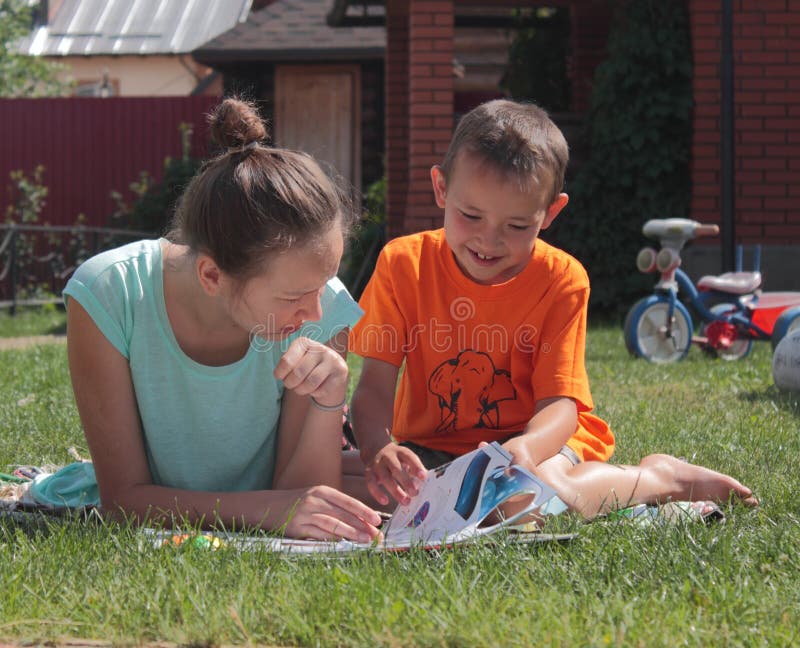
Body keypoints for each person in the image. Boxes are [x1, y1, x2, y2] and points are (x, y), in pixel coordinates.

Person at [347, 99, 756, 518]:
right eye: (470, 215)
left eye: (517, 226)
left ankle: (661, 479)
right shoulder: (403, 264)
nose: (489, 241)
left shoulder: (562, 280)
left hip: (540, 442)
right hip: (433, 449)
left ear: (551, 213)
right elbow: (375, 385)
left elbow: (559, 407)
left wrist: (525, 448)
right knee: (346, 485)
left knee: (524, 500)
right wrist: (379, 449)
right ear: (441, 188)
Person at [64, 98, 382, 542]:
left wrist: (329, 401)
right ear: (212, 274)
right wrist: (265, 509)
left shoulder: (322, 309)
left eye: (325, 282)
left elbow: (306, 499)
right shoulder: (110, 295)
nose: (316, 312)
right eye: (294, 295)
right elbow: (122, 502)